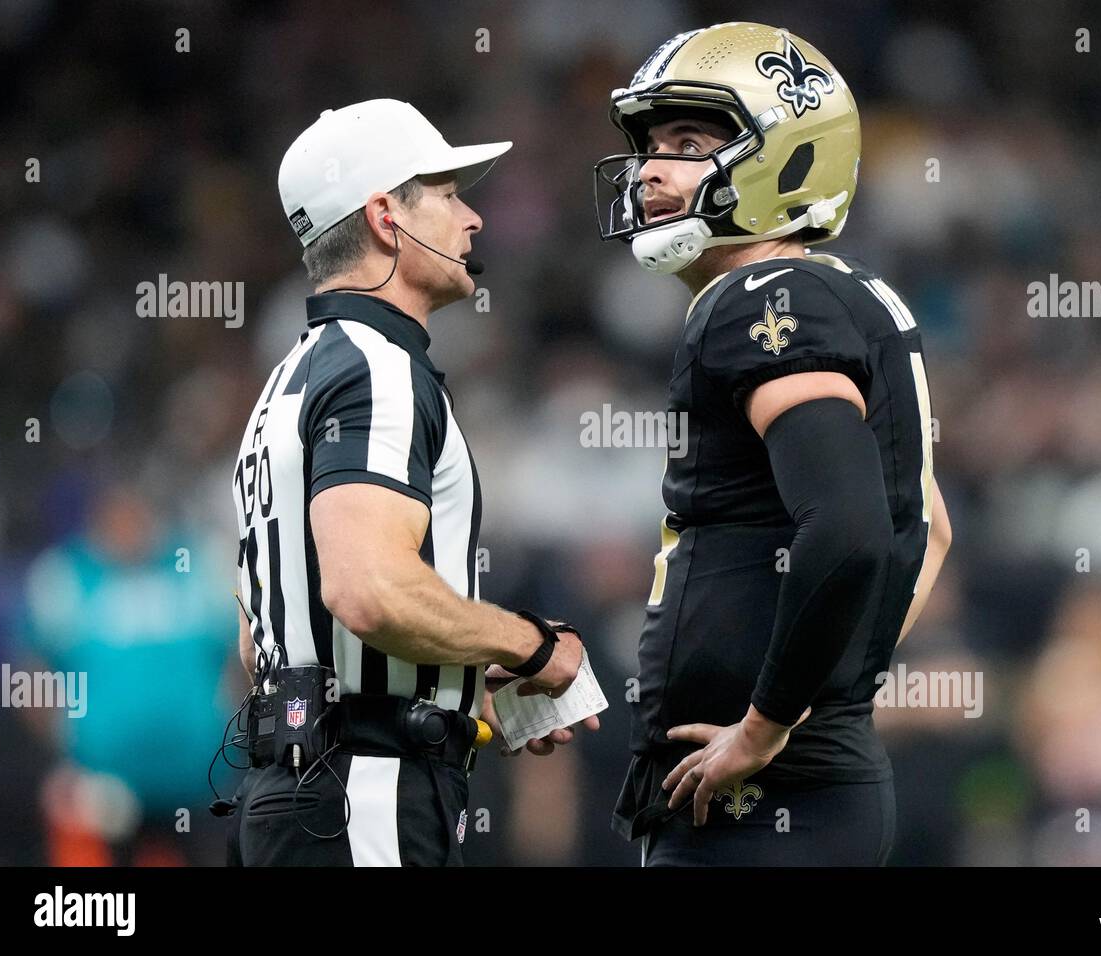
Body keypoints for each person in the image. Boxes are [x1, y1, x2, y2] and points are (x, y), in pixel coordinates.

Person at [595, 23, 953, 866]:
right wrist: (819, 690)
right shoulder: (832, 292)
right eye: (649, 145)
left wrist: (768, 721)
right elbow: (926, 530)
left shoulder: (765, 294)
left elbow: (851, 529)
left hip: (764, 805)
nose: (651, 169)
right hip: (801, 788)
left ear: (788, 156)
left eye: (688, 141)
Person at [224, 99, 596, 867]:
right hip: (367, 794)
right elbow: (368, 592)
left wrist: (451, 668)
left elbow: (268, 632)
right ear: (387, 215)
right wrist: (532, 647)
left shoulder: (289, 380)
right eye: (450, 193)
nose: (474, 219)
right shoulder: (375, 369)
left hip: (304, 792)